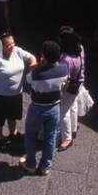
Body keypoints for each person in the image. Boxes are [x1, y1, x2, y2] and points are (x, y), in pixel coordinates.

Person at [21, 41, 68, 175]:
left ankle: (30, 164)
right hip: (54, 107)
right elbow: (66, 83)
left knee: (31, 135)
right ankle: (46, 166)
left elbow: (29, 80)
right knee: (50, 137)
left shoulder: (36, 73)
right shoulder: (64, 69)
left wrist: (39, 65)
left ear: (44, 57)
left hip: (37, 108)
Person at [0, 33, 35, 150]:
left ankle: (13, 133)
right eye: (8, 45)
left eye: (12, 43)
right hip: (0, 95)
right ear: (2, 47)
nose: (12, 46)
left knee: (13, 115)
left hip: (16, 94)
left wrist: (33, 63)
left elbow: (31, 57)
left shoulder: (17, 51)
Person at [57, 27, 93, 150]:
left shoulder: (65, 60)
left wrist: (60, 95)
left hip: (69, 87)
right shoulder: (80, 48)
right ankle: (73, 128)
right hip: (78, 83)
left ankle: (67, 138)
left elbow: (65, 80)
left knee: (63, 112)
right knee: (72, 106)